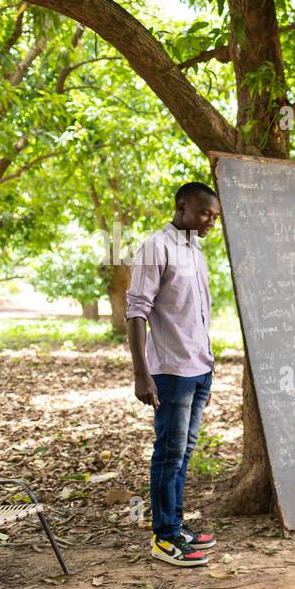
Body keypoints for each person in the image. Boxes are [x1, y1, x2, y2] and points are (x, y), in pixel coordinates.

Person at [125, 182, 222, 567]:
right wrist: (140, 374)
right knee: (168, 453)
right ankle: (163, 538)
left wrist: (210, 363)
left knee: (184, 453)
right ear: (181, 208)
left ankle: (176, 526)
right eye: (204, 214)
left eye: (214, 217)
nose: (210, 222)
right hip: (171, 372)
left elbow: (196, 315)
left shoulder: (194, 250)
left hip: (199, 370)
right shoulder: (156, 248)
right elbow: (136, 312)